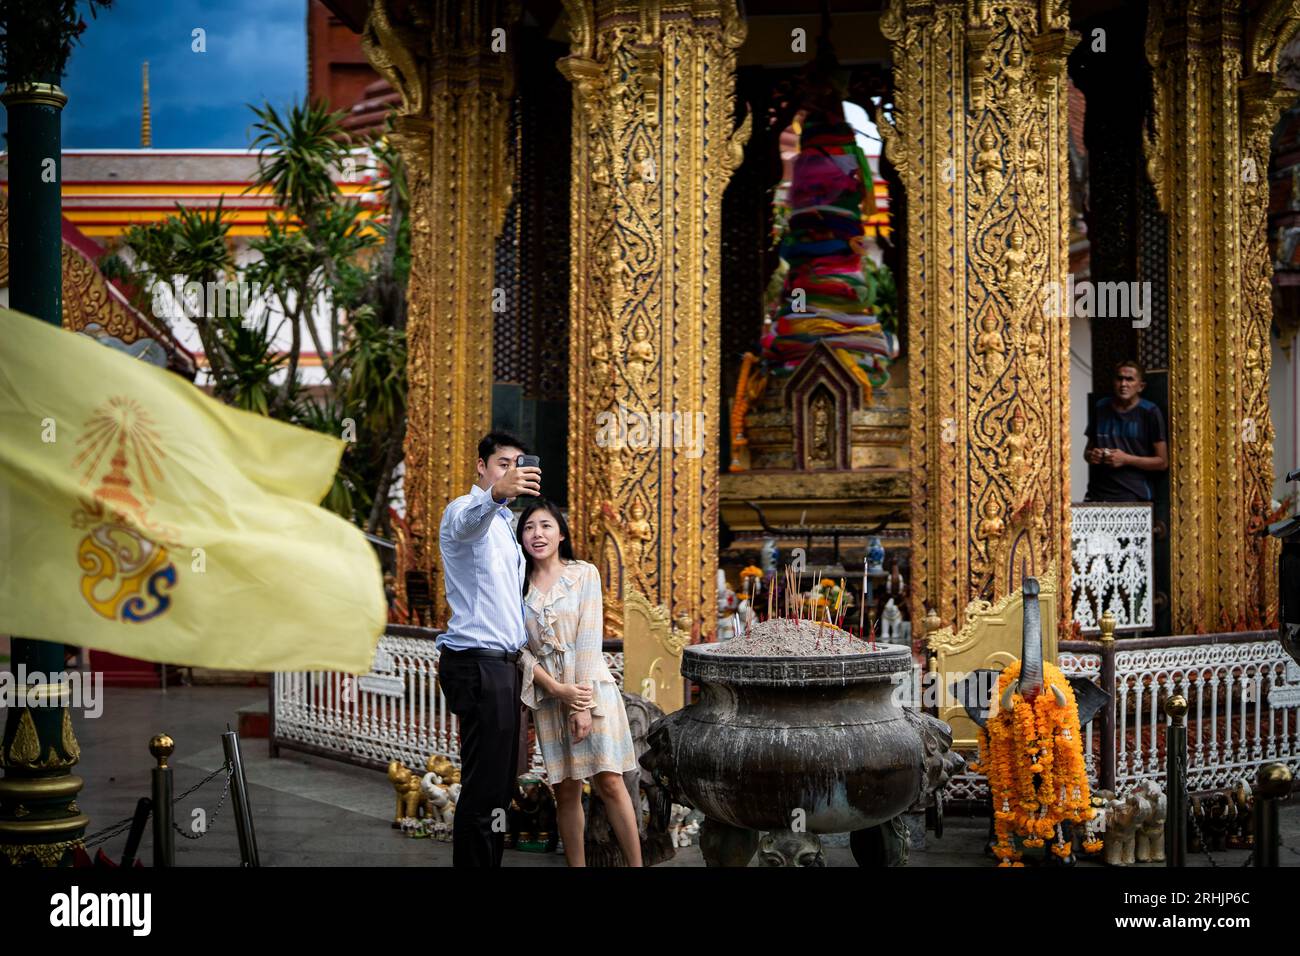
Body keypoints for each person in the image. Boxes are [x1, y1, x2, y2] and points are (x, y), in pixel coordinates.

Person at [436, 431, 547, 867]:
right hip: (477, 663)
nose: (512, 472)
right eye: (504, 463)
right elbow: (467, 524)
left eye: (520, 464)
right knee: (484, 792)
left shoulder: (506, 525)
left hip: (504, 666)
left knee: (500, 789)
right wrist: (495, 496)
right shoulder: (466, 511)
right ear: (481, 466)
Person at [515, 498, 642, 867]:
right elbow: (517, 649)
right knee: (566, 790)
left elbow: (589, 640)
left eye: (545, 526)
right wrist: (555, 690)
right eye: (528, 527)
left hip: (590, 689)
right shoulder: (515, 586)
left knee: (610, 782)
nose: (537, 534)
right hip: (549, 695)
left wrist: (581, 704)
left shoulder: (584, 574)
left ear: (561, 534)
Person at [1084, 360, 1168, 502]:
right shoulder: (1100, 408)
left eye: (1129, 379)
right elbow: (1087, 453)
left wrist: (1126, 459)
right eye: (1119, 379)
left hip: (1134, 494)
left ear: (1140, 386)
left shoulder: (1150, 412)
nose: (1123, 384)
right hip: (1098, 494)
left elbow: (1162, 462)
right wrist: (1093, 455)